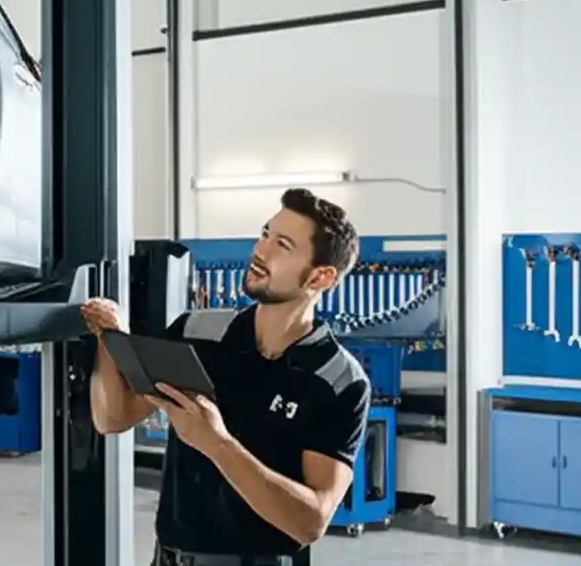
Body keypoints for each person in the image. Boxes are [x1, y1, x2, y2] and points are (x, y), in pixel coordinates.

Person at [82, 188, 371, 565]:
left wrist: (217, 444)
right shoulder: (196, 333)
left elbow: (311, 521)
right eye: (265, 234)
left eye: (282, 245)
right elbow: (113, 418)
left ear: (320, 278)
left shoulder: (339, 381)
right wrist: (110, 339)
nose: (260, 251)